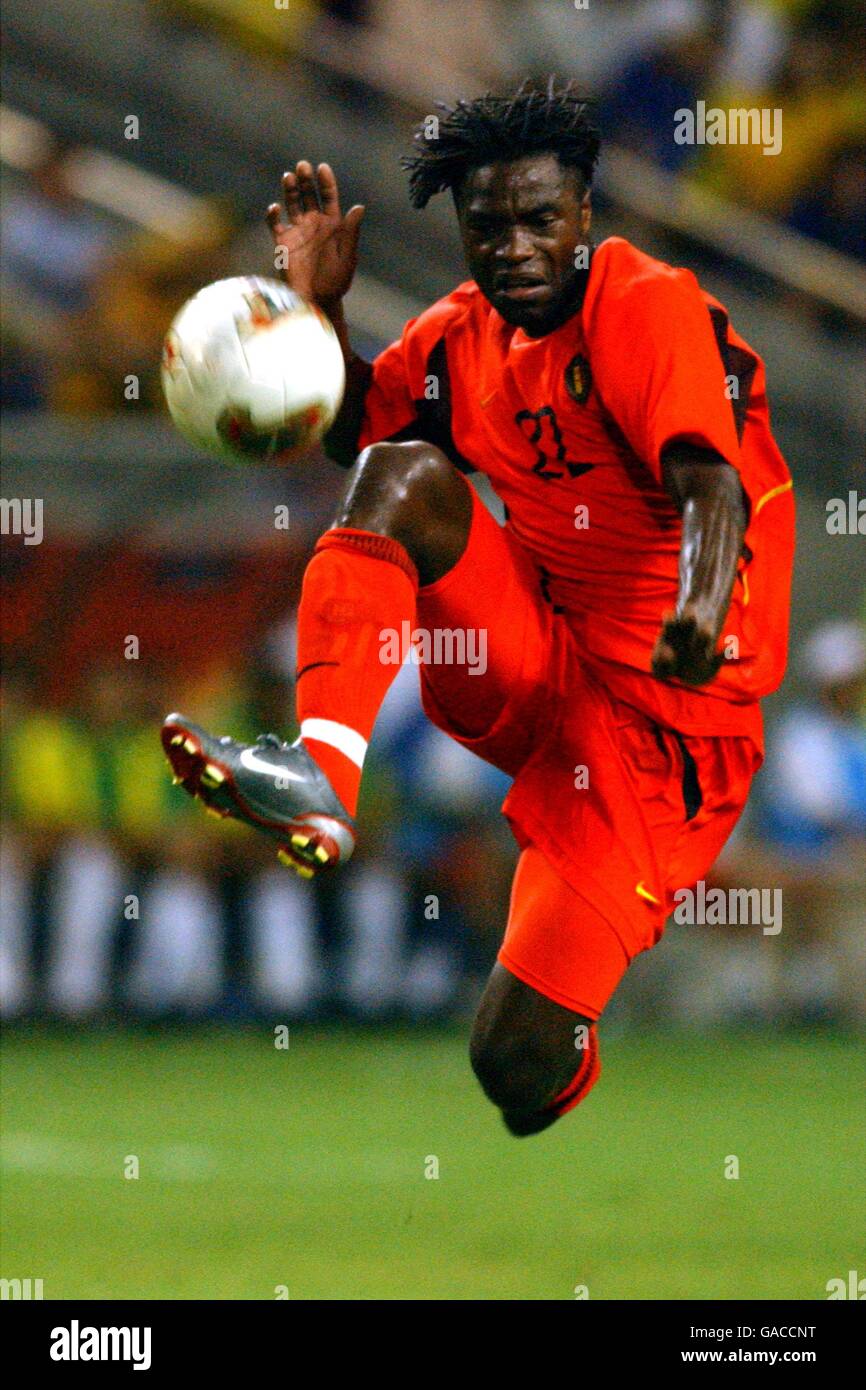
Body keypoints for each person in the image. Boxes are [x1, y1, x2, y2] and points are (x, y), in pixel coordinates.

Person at [162, 82, 794, 1136]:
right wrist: (313, 312)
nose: (511, 248)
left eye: (538, 219)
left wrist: (697, 603)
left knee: (510, 1066)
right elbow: (351, 433)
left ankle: (559, 1034)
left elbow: (707, 480)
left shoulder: (644, 306)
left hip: (660, 733)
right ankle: (323, 768)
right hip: (533, 663)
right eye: (484, 225)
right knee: (398, 473)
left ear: (584, 217)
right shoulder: (462, 339)